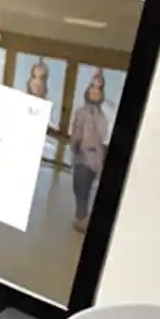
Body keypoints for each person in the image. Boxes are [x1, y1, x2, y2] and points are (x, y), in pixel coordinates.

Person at [70, 70, 108, 231]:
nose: (94, 90)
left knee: (84, 187)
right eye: (92, 86)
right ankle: (81, 215)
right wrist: (75, 144)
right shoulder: (80, 111)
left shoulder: (102, 116)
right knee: (77, 187)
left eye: (98, 88)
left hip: (92, 158)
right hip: (79, 155)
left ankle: (82, 218)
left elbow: (102, 136)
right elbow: (75, 131)